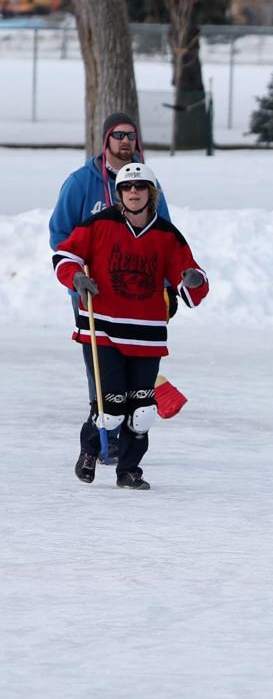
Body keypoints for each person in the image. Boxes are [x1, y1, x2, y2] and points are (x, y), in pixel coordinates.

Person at [52, 162, 208, 488]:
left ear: (151, 193)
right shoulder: (99, 224)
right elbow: (65, 255)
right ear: (119, 193)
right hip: (103, 327)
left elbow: (189, 277)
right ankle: (89, 451)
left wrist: (193, 281)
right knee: (111, 407)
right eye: (126, 187)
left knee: (142, 411)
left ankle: (129, 470)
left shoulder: (167, 234)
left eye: (139, 187)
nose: (133, 192)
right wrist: (76, 277)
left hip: (147, 334)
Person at [50, 112, 174, 467]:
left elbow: (164, 236)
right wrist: (76, 274)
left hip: (137, 295)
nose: (125, 141)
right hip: (93, 294)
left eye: (131, 135)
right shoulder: (80, 182)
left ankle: (127, 431)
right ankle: (106, 435)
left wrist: (169, 287)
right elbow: (60, 233)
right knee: (102, 367)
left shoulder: (147, 183)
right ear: (106, 140)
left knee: (136, 368)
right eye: (118, 135)